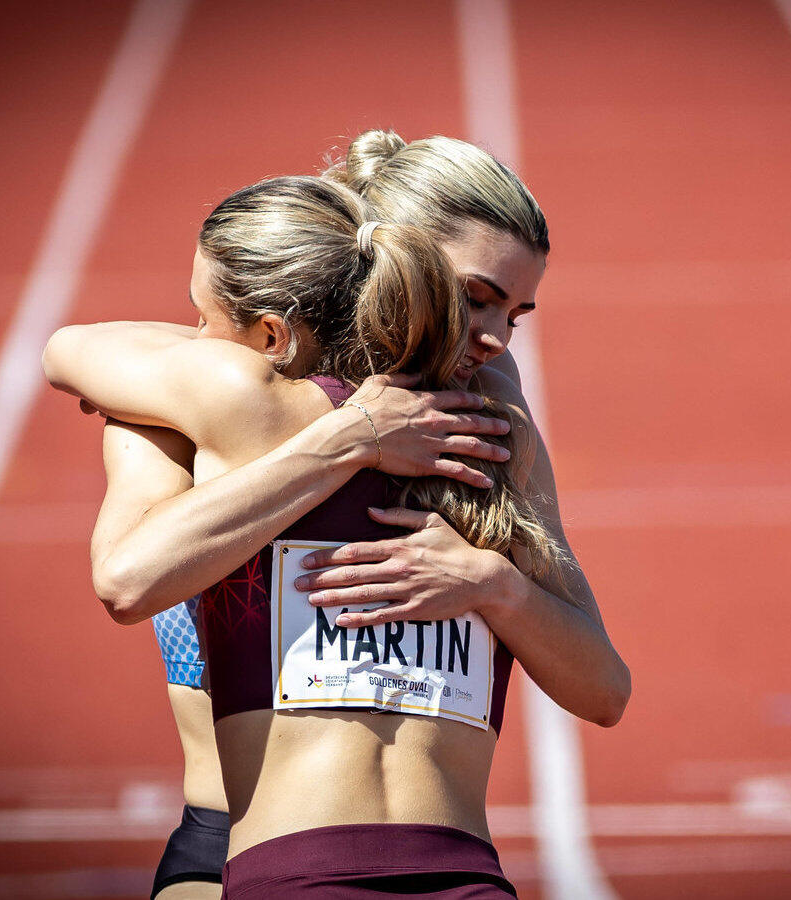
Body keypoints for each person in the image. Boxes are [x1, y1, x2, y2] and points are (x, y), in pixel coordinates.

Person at [46, 172, 625, 895]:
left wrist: (492, 583)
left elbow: (606, 689)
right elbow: (78, 358)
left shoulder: (492, 429)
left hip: (428, 860)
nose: (498, 338)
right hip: (230, 837)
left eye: (516, 313)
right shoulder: (212, 401)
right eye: (477, 298)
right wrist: (348, 439)